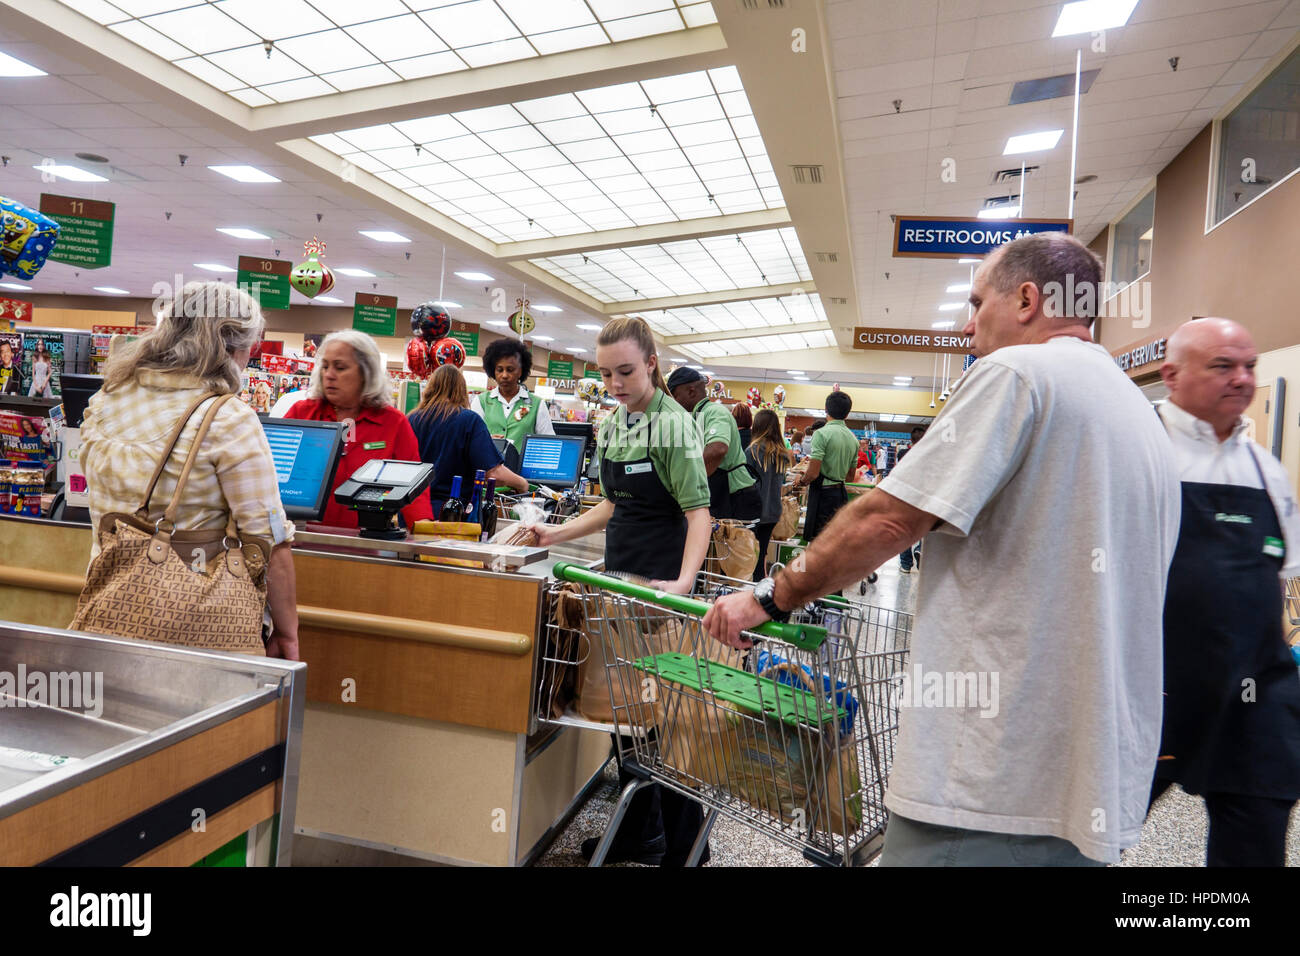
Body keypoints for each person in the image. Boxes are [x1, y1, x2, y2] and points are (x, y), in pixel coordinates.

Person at [704, 231, 1180, 866]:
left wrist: (769, 595)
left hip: (989, 777)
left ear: (1029, 299)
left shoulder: (1018, 373)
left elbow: (890, 520)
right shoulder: (1140, 412)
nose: (966, 327)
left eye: (978, 303)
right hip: (1094, 778)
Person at [528, 317, 712, 867]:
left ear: (651, 364)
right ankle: (638, 831)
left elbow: (698, 514)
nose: (615, 384)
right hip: (621, 586)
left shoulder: (675, 427)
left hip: (660, 592)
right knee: (624, 717)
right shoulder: (612, 424)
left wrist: (680, 584)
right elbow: (613, 503)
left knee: (662, 723)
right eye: (606, 374)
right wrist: (557, 532)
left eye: (626, 371)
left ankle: (685, 847)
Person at [78, 281, 299, 659]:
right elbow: (268, 542)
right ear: (231, 349)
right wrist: (287, 633)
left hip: (112, 606)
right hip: (199, 623)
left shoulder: (106, 400)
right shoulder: (227, 418)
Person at [1148, 317, 1300, 866]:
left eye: (1249, 365)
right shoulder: (1137, 452)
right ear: (1171, 375)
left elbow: (1282, 583)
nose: (1241, 378)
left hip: (1253, 699)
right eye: (1222, 366)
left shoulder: (1266, 469)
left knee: (1257, 836)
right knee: (1079, 843)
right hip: (1148, 689)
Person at [284, 329, 432, 531]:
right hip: (303, 538)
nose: (329, 375)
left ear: (365, 372)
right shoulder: (302, 413)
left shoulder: (393, 422)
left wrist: (423, 531)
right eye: (325, 366)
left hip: (367, 544)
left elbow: (414, 486)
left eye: (340, 367)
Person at [408, 364, 529, 516]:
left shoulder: (411, 419)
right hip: (448, 514)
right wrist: (522, 483)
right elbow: (493, 473)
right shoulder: (468, 420)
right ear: (461, 389)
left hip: (412, 510)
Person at [667, 367, 760, 520]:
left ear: (691, 391)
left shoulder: (713, 411)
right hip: (723, 495)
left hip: (735, 497)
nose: (673, 403)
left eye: (675, 397)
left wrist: (683, 478)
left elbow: (718, 449)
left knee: (730, 544)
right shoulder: (695, 417)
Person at [471, 337, 554, 453]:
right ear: (493, 371)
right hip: (488, 468)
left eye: (510, 370)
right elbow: (470, 439)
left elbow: (549, 444)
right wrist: (487, 440)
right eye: (500, 370)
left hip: (522, 470)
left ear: (520, 371)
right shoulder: (481, 401)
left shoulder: (537, 404)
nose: (504, 375)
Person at [794, 392, 858, 543]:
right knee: (835, 542)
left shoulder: (821, 434)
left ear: (826, 409)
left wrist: (801, 481)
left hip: (822, 496)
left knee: (818, 543)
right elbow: (850, 477)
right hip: (840, 494)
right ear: (847, 414)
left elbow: (813, 473)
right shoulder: (853, 439)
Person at [746, 408, 793, 581]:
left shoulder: (752, 452)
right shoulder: (783, 455)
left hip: (754, 511)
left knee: (748, 553)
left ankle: (750, 589)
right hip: (773, 511)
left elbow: (746, 483)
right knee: (762, 550)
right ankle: (761, 584)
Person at [896, 425, 929, 573]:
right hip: (924, 496)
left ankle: (905, 565)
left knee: (904, 531)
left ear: (911, 439)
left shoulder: (903, 453)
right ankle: (920, 549)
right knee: (925, 529)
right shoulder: (931, 456)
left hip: (905, 495)